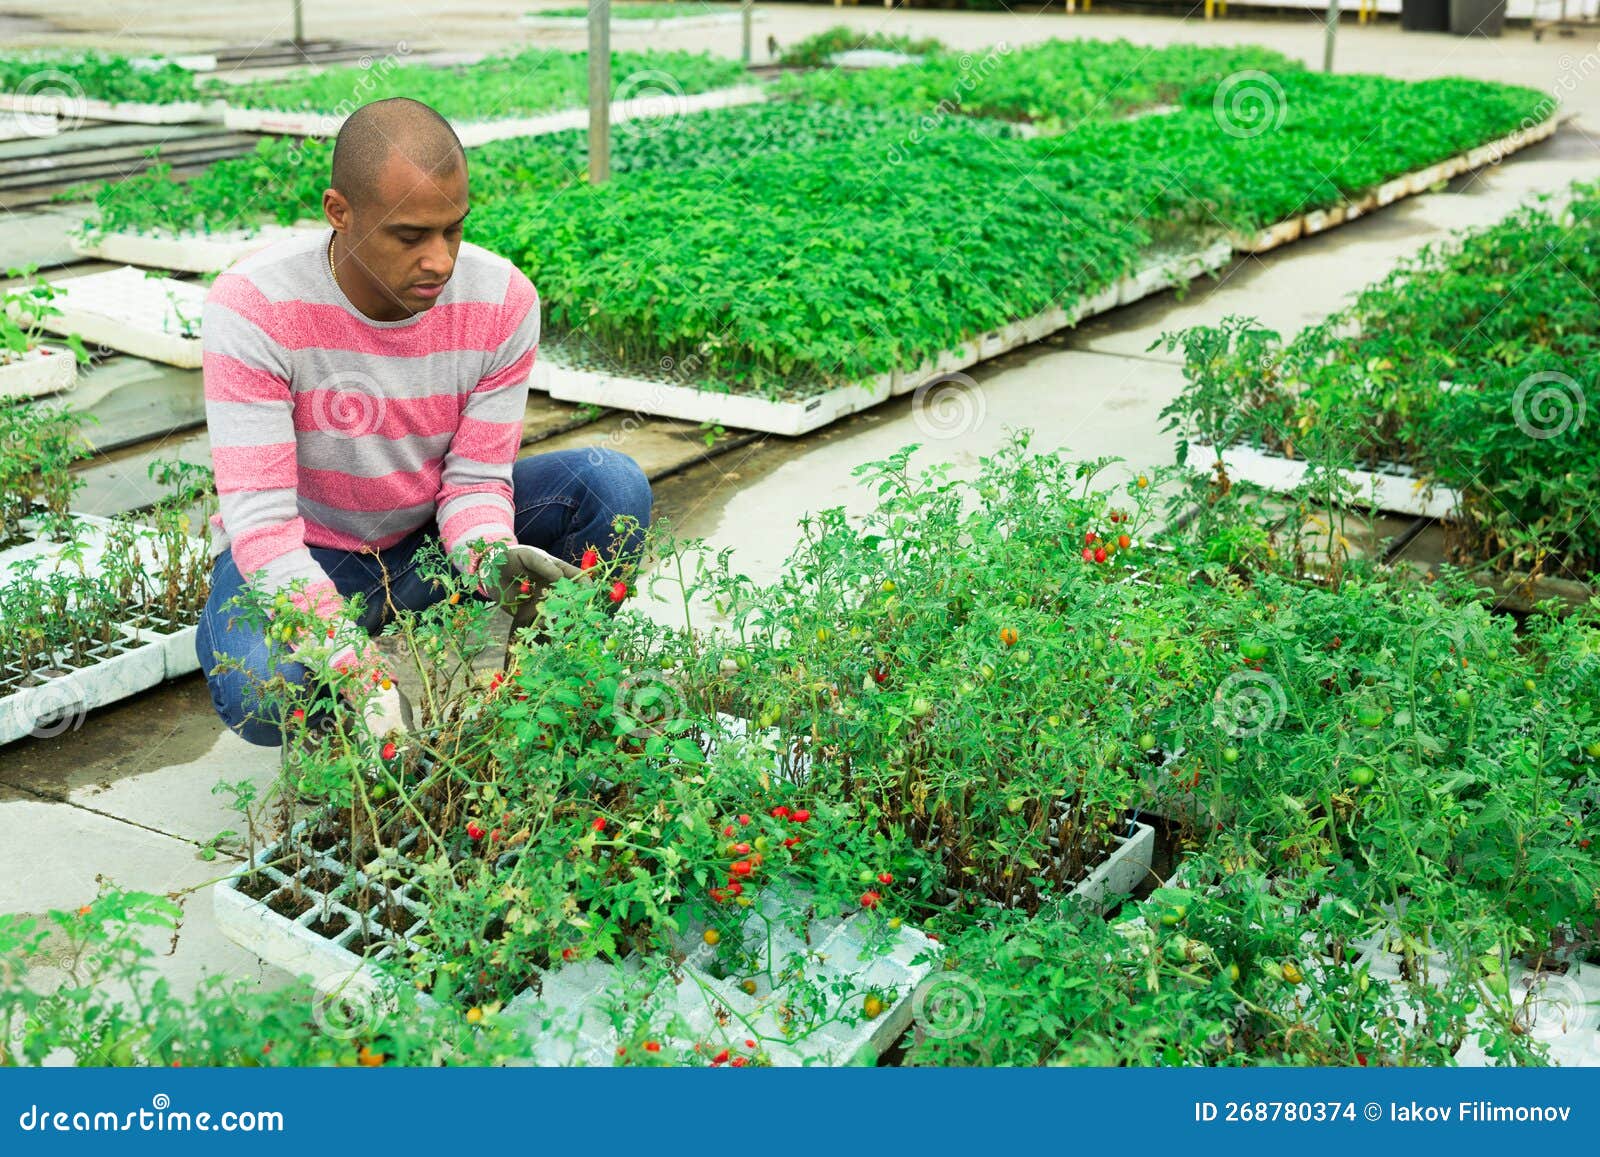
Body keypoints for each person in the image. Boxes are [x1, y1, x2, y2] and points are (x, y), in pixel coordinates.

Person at [194, 97, 651, 748]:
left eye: (453, 230)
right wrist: (357, 671)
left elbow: (474, 480)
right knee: (264, 687)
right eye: (410, 236)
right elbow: (262, 530)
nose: (440, 260)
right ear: (339, 212)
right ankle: (361, 748)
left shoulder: (500, 300)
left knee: (613, 486)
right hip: (309, 548)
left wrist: (493, 557)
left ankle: (537, 702)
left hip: (425, 539)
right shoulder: (257, 307)